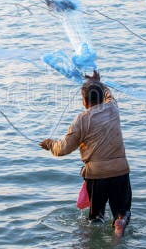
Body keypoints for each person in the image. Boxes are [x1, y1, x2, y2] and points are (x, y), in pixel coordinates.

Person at [39, 71, 132, 234]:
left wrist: (49, 144)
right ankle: (120, 222)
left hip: (96, 175)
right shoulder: (113, 108)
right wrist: (98, 82)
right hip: (120, 171)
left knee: (96, 218)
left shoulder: (81, 120)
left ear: (84, 101)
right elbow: (109, 95)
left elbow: (63, 149)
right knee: (122, 211)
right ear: (102, 97)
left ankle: (91, 247)